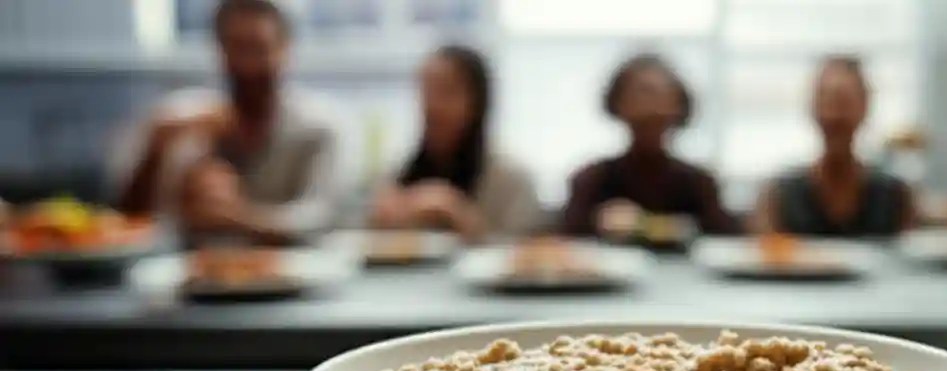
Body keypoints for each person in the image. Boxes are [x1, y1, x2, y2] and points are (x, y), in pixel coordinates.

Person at [118, 0, 339, 243]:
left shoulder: (318, 127)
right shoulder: (182, 119)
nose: (246, 65)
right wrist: (156, 156)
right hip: (195, 268)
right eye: (236, 47)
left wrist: (232, 215)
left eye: (258, 48)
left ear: (285, 49)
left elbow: (320, 218)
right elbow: (125, 219)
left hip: (292, 272)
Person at [369, 46, 539, 240]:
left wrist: (456, 213)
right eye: (427, 91)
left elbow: (521, 253)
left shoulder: (511, 180)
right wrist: (383, 221)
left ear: (477, 101)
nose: (433, 106)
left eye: (446, 91)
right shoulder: (397, 174)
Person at [563, 54, 737, 236]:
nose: (651, 107)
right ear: (617, 103)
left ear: (679, 106)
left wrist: (650, 224)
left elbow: (726, 239)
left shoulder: (699, 183)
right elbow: (565, 241)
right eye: (643, 93)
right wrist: (598, 222)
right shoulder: (591, 180)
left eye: (662, 95)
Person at [754, 57, 914, 238]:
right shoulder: (779, 195)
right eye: (825, 100)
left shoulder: (895, 196)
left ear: (865, 107)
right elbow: (767, 256)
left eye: (844, 102)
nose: (833, 115)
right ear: (812, 108)